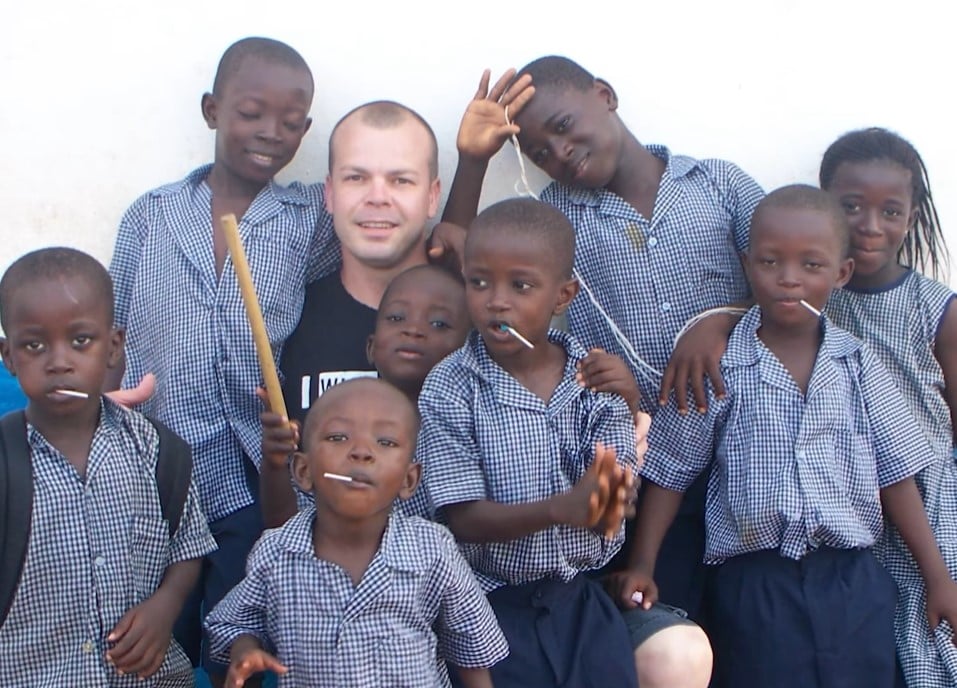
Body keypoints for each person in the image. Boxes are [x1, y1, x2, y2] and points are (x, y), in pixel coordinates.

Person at [442, 57, 733, 684]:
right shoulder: (556, 213)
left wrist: (722, 319)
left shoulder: (717, 183)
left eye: (566, 127)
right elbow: (464, 249)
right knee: (659, 630)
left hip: (739, 469)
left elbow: (788, 268)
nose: (561, 153)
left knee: (737, 641)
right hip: (647, 482)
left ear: (605, 95)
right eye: (542, 151)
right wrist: (472, 161)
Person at [626, 185, 957, 688]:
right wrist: (643, 564)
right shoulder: (718, 368)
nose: (789, 279)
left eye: (811, 265)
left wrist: (938, 580)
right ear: (747, 263)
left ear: (841, 273)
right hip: (754, 586)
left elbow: (896, 479)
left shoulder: (859, 364)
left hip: (853, 581)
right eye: (770, 262)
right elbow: (671, 473)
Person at [108, 37, 338, 687]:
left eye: (291, 124)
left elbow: (375, 252)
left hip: (250, 476)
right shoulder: (150, 218)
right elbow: (114, 331)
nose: (271, 133)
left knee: (240, 645)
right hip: (151, 473)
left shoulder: (304, 223)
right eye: (250, 113)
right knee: (150, 642)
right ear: (212, 110)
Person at [417, 197, 640, 687]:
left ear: (563, 296)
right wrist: (563, 507)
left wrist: (603, 499)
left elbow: (611, 502)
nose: (497, 301)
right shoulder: (451, 386)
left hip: (577, 602)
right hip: (485, 606)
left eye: (521, 286)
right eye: (479, 282)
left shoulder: (593, 379)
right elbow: (464, 519)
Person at [0, 247, 216, 686]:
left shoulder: (158, 450)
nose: (59, 361)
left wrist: (165, 606)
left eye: (81, 341)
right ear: (8, 357)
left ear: (114, 347)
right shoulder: (5, 461)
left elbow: (188, 548)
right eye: (34, 345)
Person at [205, 377, 508, 687]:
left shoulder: (433, 550)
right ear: (303, 471)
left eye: (385, 442)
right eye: (338, 437)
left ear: (408, 480)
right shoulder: (277, 552)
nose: (361, 452)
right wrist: (246, 650)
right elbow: (234, 623)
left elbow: (472, 650)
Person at [261, 101, 447, 527]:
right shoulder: (287, 319)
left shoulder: (471, 317)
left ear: (432, 196)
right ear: (329, 193)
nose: (377, 197)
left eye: (400, 180)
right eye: (356, 178)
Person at [820, 128, 956, 686]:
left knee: (937, 626)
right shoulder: (810, 298)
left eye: (890, 211)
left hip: (932, 495)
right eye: (851, 206)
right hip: (854, 497)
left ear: (912, 215)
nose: (870, 226)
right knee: (886, 635)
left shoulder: (936, 307)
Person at [261, 263, 471, 526]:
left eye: (439, 323)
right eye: (396, 318)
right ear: (370, 347)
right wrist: (275, 463)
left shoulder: (463, 428)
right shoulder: (341, 421)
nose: (413, 330)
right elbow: (287, 523)